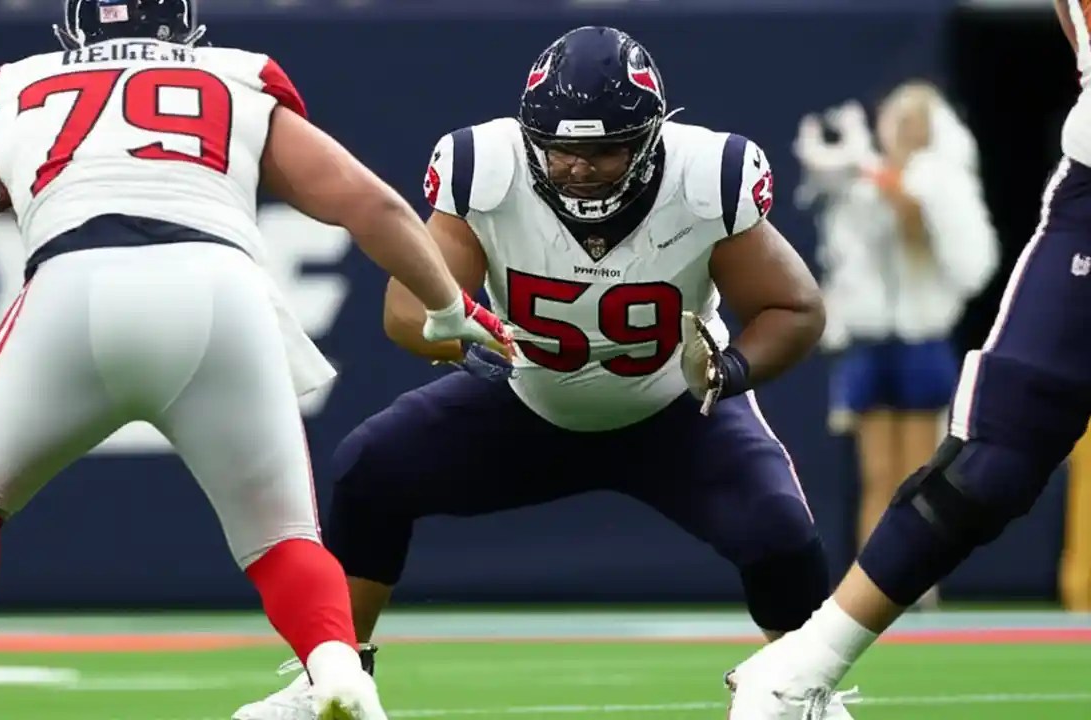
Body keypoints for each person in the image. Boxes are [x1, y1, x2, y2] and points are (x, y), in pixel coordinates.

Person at [0, 2, 514, 720]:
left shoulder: (18, 85)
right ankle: (339, 670)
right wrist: (448, 305)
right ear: (184, 27)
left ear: (72, 29)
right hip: (221, 292)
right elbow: (366, 203)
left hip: (73, 283)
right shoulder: (235, 74)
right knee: (283, 536)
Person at [235, 25, 852, 720]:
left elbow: (793, 308)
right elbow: (408, 306)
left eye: (604, 151)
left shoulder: (707, 177)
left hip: (674, 407)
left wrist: (727, 369)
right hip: (526, 397)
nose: (578, 169)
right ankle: (330, 682)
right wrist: (463, 341)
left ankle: (801, 692)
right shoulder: (484, 169)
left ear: (651, 140)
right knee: (368, 469)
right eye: (561, 150)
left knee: (782, 534)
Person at [726, 3, 1091, 716]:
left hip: (920, 331)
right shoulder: (870, 181)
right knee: (990, 459)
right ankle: (804, 662)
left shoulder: (936, 180)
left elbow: (963, 253)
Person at [795, 85, 997, 608]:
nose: (905, 128)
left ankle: (920, 584)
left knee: (923, 473)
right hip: (871, 343)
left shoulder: (941, 184)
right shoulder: (864, 181)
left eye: (916, 119)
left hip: (920, 342)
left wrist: (871, 171)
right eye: (898, 118)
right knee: (876, 474)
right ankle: (873, 588)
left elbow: (927, 229)